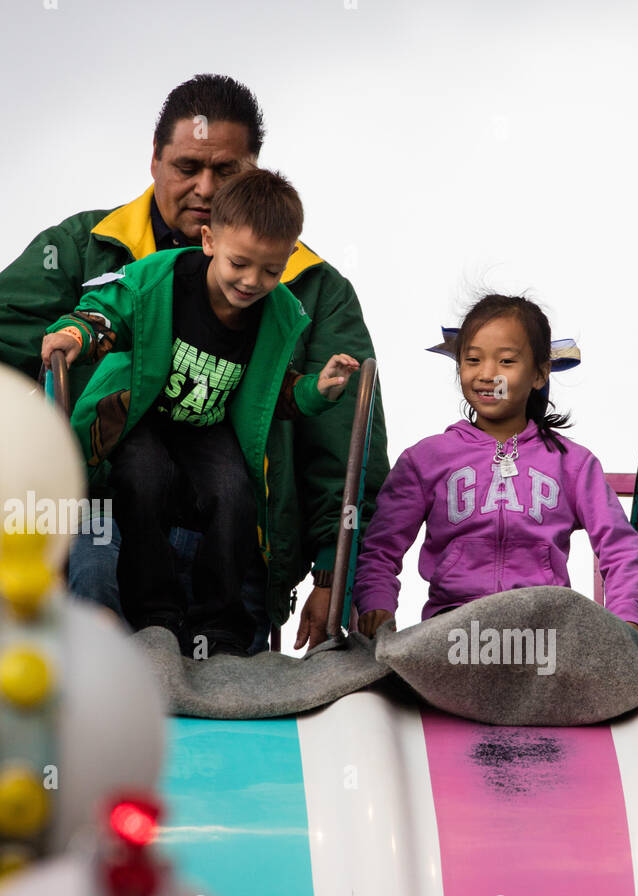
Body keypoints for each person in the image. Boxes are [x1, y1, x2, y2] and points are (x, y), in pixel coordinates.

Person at [0, 73, 388, 650]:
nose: (205, 188)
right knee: (96, 721)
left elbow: (345, 447)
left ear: (254, 174)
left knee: (228, 723)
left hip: (235, 561)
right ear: (154, 160)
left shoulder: (308, 289)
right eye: (187, 167)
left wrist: (337, 574)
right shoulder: (86, 249)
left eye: (226, 171)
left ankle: (222, 638)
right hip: (98, 543)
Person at [40, 169, 358, 657]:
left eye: (270, 270)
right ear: (209, 240)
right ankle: (155, 617)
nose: (252, 281)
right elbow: (108, 309)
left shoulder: (278, 314)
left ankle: (220, 628)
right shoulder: (163, 278)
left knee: (235, 495)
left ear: (289, 258)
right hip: (143, 414)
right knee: (141, 478)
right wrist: (77, 334)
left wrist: (320, 389)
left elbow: (278, 392)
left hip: (206, 427)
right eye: (240, 263)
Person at [353, 293, 638, 635]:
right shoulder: (425, 460)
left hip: (544, 632)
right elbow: (380, 547)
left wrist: (627, 619)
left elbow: (619, 546)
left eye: (506, 361)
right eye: (473, 359)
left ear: (539, 373)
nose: (487, 374)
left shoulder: (573, 464)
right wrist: (377, 604)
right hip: (452, 631)